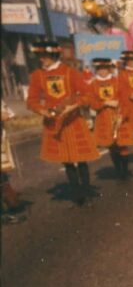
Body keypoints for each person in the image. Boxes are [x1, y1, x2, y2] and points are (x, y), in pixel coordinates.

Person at [26, 39, 100, 205]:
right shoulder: (37, 75)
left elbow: (87, 95)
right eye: (39, 56)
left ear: (53, 55)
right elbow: (31, 101)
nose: (41, 59)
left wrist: (74, 106)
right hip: (54, 123)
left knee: (81, 159)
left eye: (44, 56)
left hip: (73, 121)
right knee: (66, 161)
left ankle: (86, 192)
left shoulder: (70, 72)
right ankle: (78, 196)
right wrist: (43, 111)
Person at [85, 57, 131, 180]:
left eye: (105, 69)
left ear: (109, 69)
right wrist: (105, 103)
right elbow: (92, 103)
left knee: (122, 145)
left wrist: (122, 115)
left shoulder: (118, 82)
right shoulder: (93, 85)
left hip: (119, 117)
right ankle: (118, 171)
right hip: (104, 119)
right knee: (111, 146)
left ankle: (125, 171)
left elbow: (126, 101)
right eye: (99, 69)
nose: (102, 71)